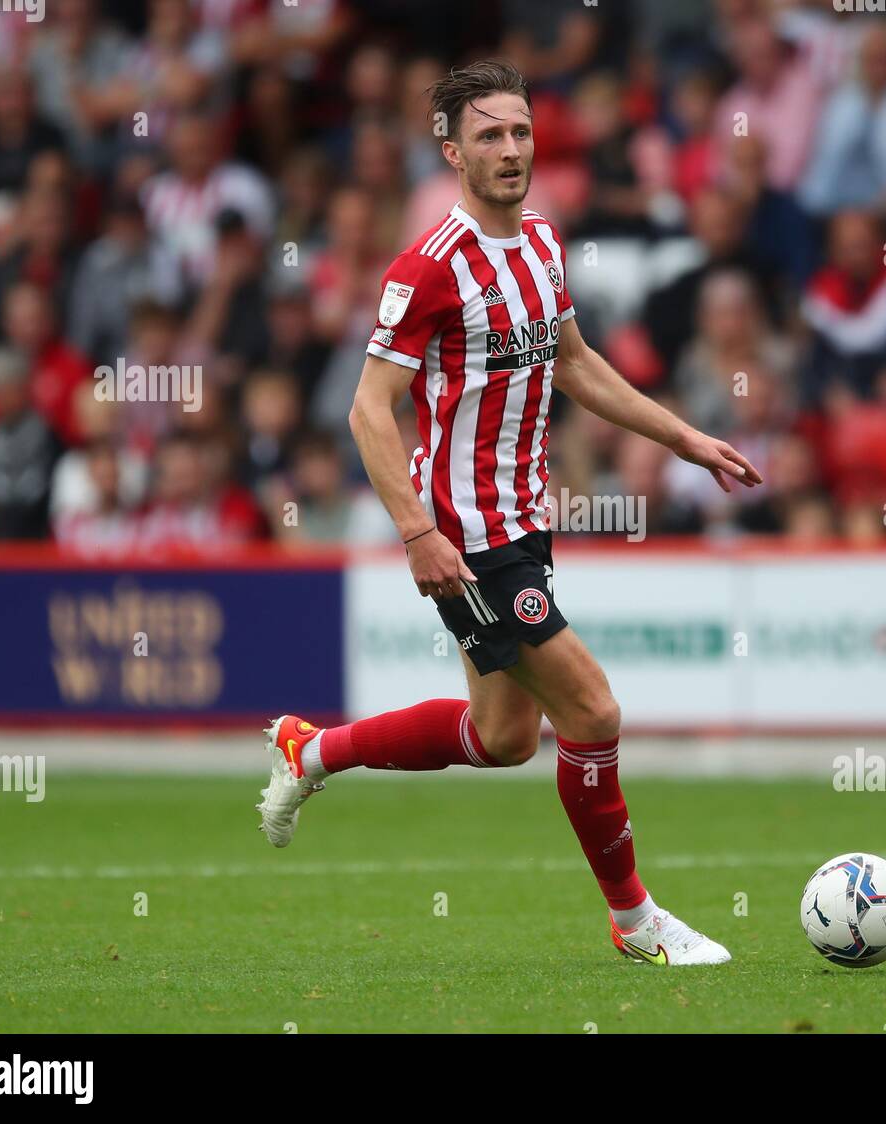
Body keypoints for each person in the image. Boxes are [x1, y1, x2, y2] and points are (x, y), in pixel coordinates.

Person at [254, 61, 762, 967]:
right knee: (595, 713)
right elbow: (369, 411)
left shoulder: (539, 242)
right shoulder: (429, 269)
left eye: (522, 131)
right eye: (489, 135)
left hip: (525, 523)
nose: (512, 149)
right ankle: (637, 921)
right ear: (450, 150)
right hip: (467, 538)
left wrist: (684, 436)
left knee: (501, 738)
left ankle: (313, 749)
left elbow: (573, 363)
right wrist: (417, 532)